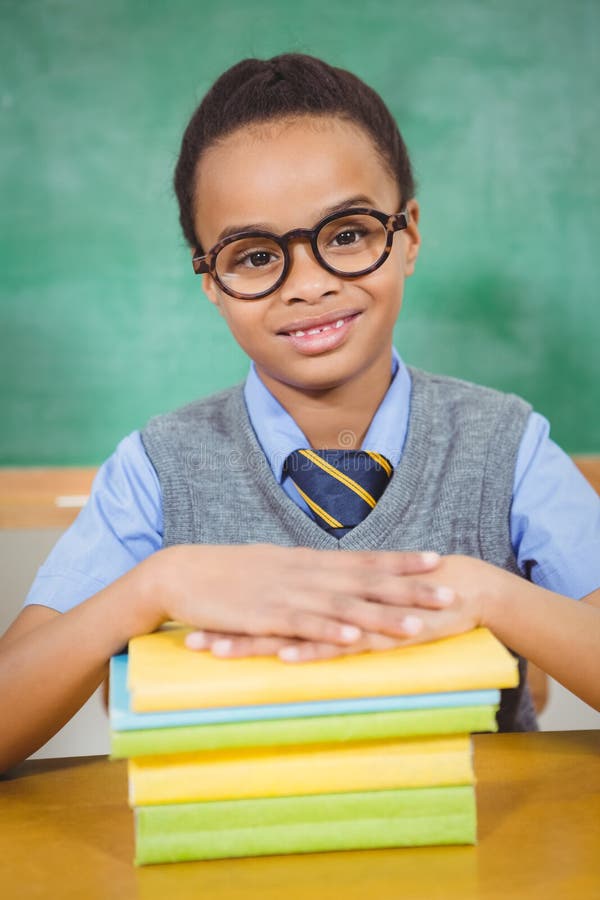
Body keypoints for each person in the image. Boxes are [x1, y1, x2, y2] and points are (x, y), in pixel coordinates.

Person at [1, 53, 599, 773]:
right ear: (209, 281)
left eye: (346, 234)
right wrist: (151, 588)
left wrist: (489, 596)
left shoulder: (508, 445)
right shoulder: (156, 470)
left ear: (406, 234)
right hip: (229, 860)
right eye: (254, 255)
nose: (309, 284)